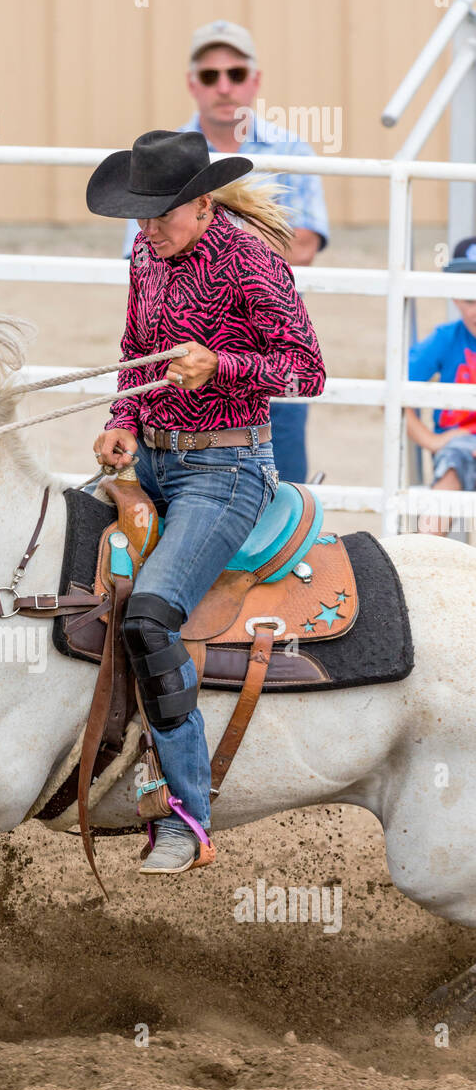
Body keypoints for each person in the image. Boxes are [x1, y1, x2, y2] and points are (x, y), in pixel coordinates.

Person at [89, 130, 325, 873]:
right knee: (62, 576)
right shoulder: (144, 253)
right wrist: (121, 420)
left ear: (199, 204)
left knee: (154, 612)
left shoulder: (251, 262)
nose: (145, 227)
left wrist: (219, 364)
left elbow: (306, 370)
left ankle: (184, 811)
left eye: (158, 214)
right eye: (139, 214)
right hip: (153, 456)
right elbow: (134, 348)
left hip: (227, 469)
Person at [121, 19, 330, 484]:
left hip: (263, 335)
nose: (224, 86)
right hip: (176, 396)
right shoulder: (162, 157)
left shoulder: (290, 148)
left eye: (235, 74)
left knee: (284, 466)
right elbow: (146, 261)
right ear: (193, 84)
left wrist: (219, 248)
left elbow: (306, 243)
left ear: (254, 80)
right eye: (211, 75)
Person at [406, 236, 476, 538]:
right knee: (450, 466)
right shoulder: (447, 338)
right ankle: (423, 554)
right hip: (458, 445)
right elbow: (394, 395)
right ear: (454, 297)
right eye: (470, 298)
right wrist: (432, 441)